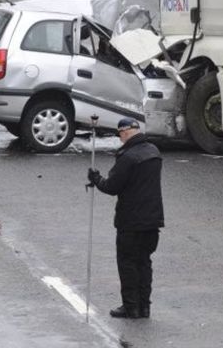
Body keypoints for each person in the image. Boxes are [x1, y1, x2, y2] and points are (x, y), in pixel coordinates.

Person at [87, 118, 164, 319]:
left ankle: (131, 308)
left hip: (130, 221)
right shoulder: (154, 152)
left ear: (124, 132)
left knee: (127, 263)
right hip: (153, 219)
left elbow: (112, 187)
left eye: (120, 134)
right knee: (144, 263)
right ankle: (145, 307)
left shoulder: (128, 157)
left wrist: (96, 178)